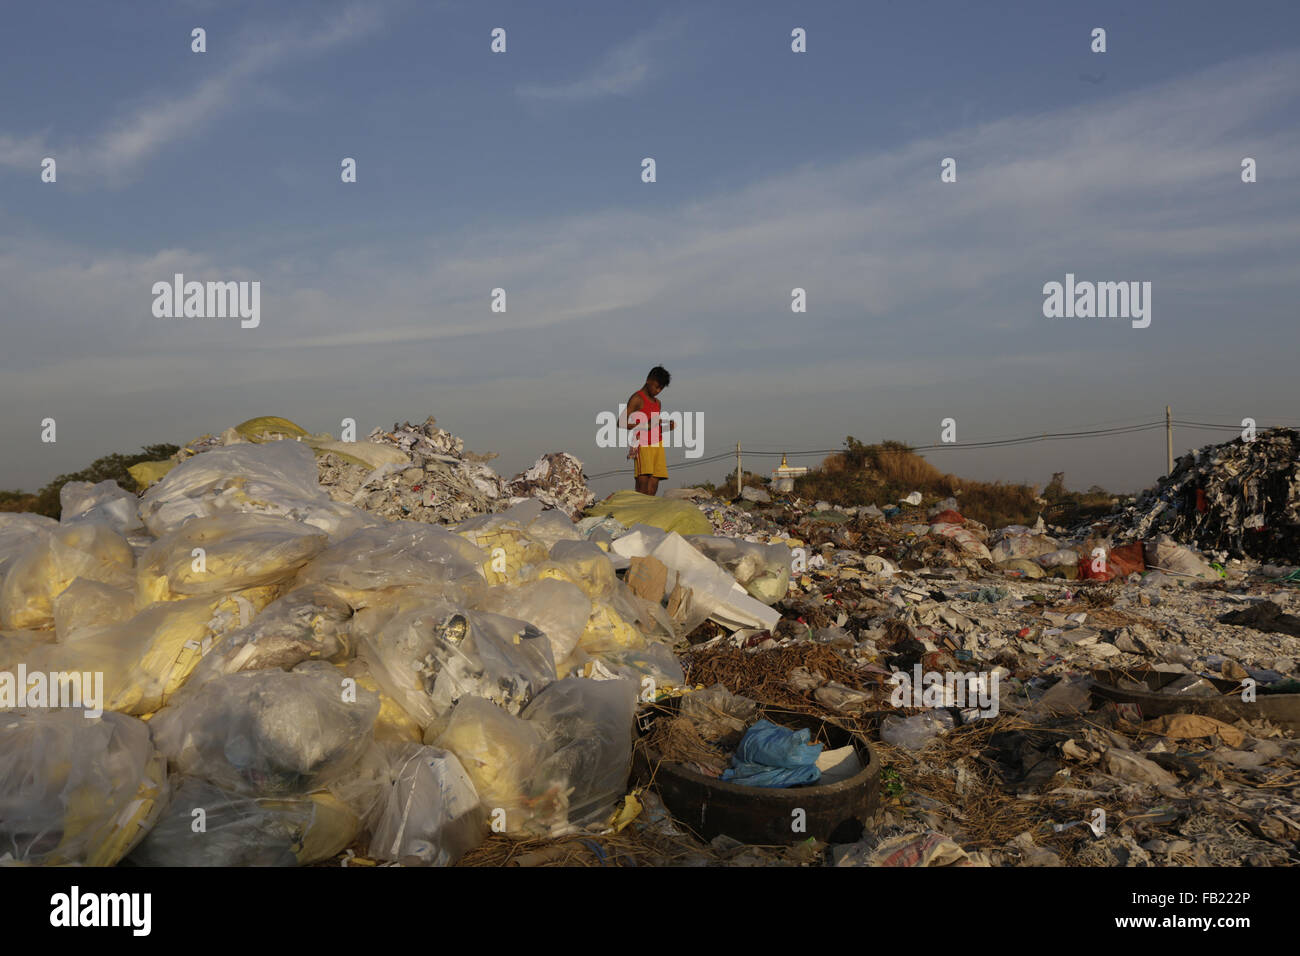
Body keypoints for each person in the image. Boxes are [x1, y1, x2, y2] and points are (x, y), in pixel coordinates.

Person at [623, 366, 675, 496]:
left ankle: (649, 513)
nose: (658, 391)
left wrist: (668, 427)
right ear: (648, 380)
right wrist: (644, 425)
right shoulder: (637, 398)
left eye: (661, 389)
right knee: (643, 482)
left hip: (658, 444)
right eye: (656, 387)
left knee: (654, 482)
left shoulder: (658, 403)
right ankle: (639, 512)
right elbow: (621, 422)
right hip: (642, 444)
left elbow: (655, 426)